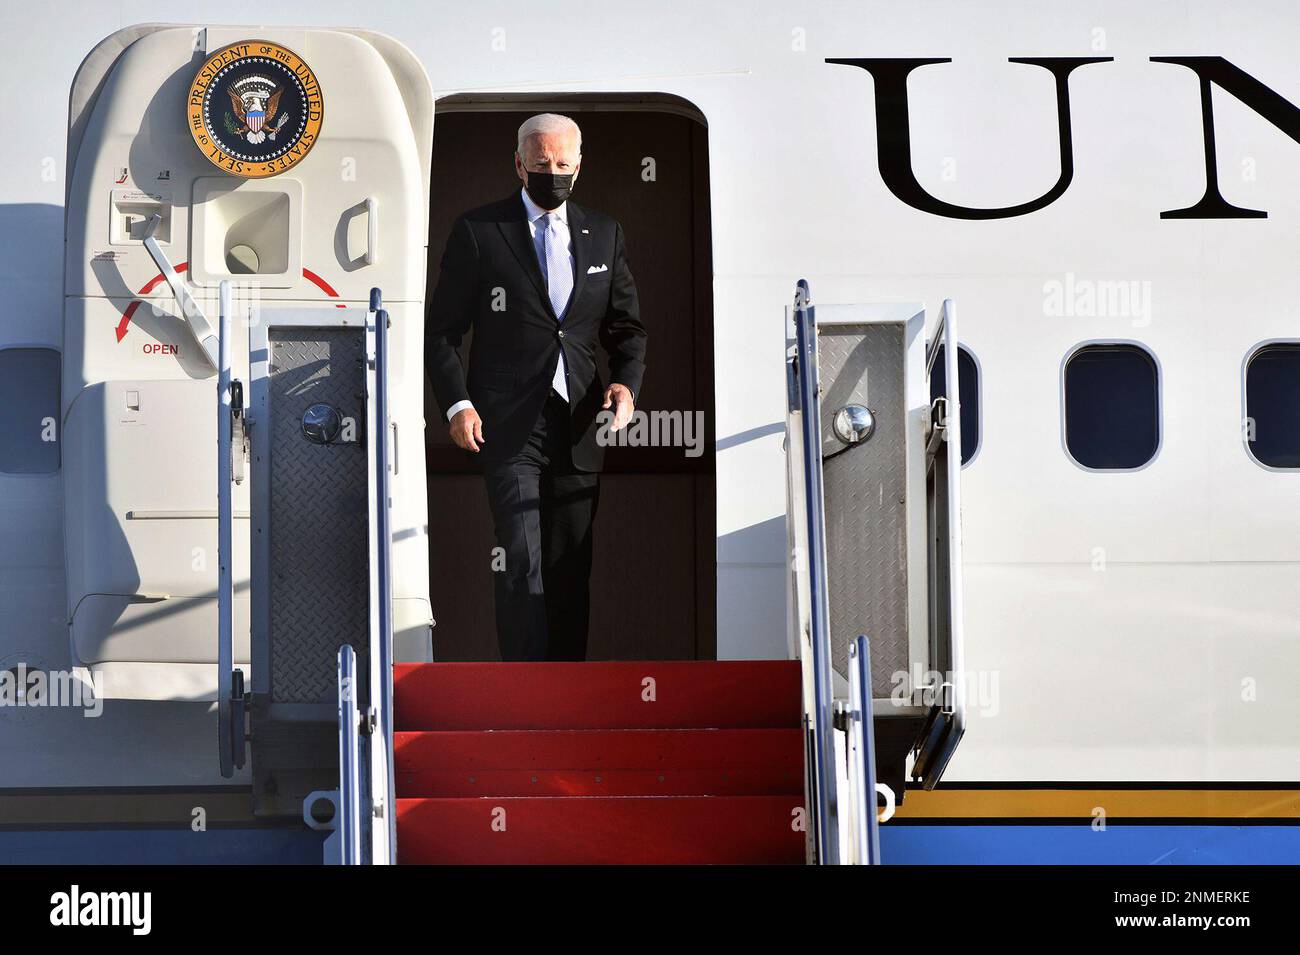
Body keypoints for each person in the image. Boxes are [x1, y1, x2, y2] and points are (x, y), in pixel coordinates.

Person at [425, 113, 647, 661]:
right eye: (543, 164)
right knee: (521, 555)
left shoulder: (605, 232)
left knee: (571, 560)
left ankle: (568, 687)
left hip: (578, 421)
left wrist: (624, 385)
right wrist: (458, 404)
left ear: (579, 165)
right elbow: (443, 331)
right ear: (519, 164)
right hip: (506, 424)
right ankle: (523, 689)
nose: (554, 173)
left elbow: (627, 327)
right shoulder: (480, 231)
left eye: (564, 165)